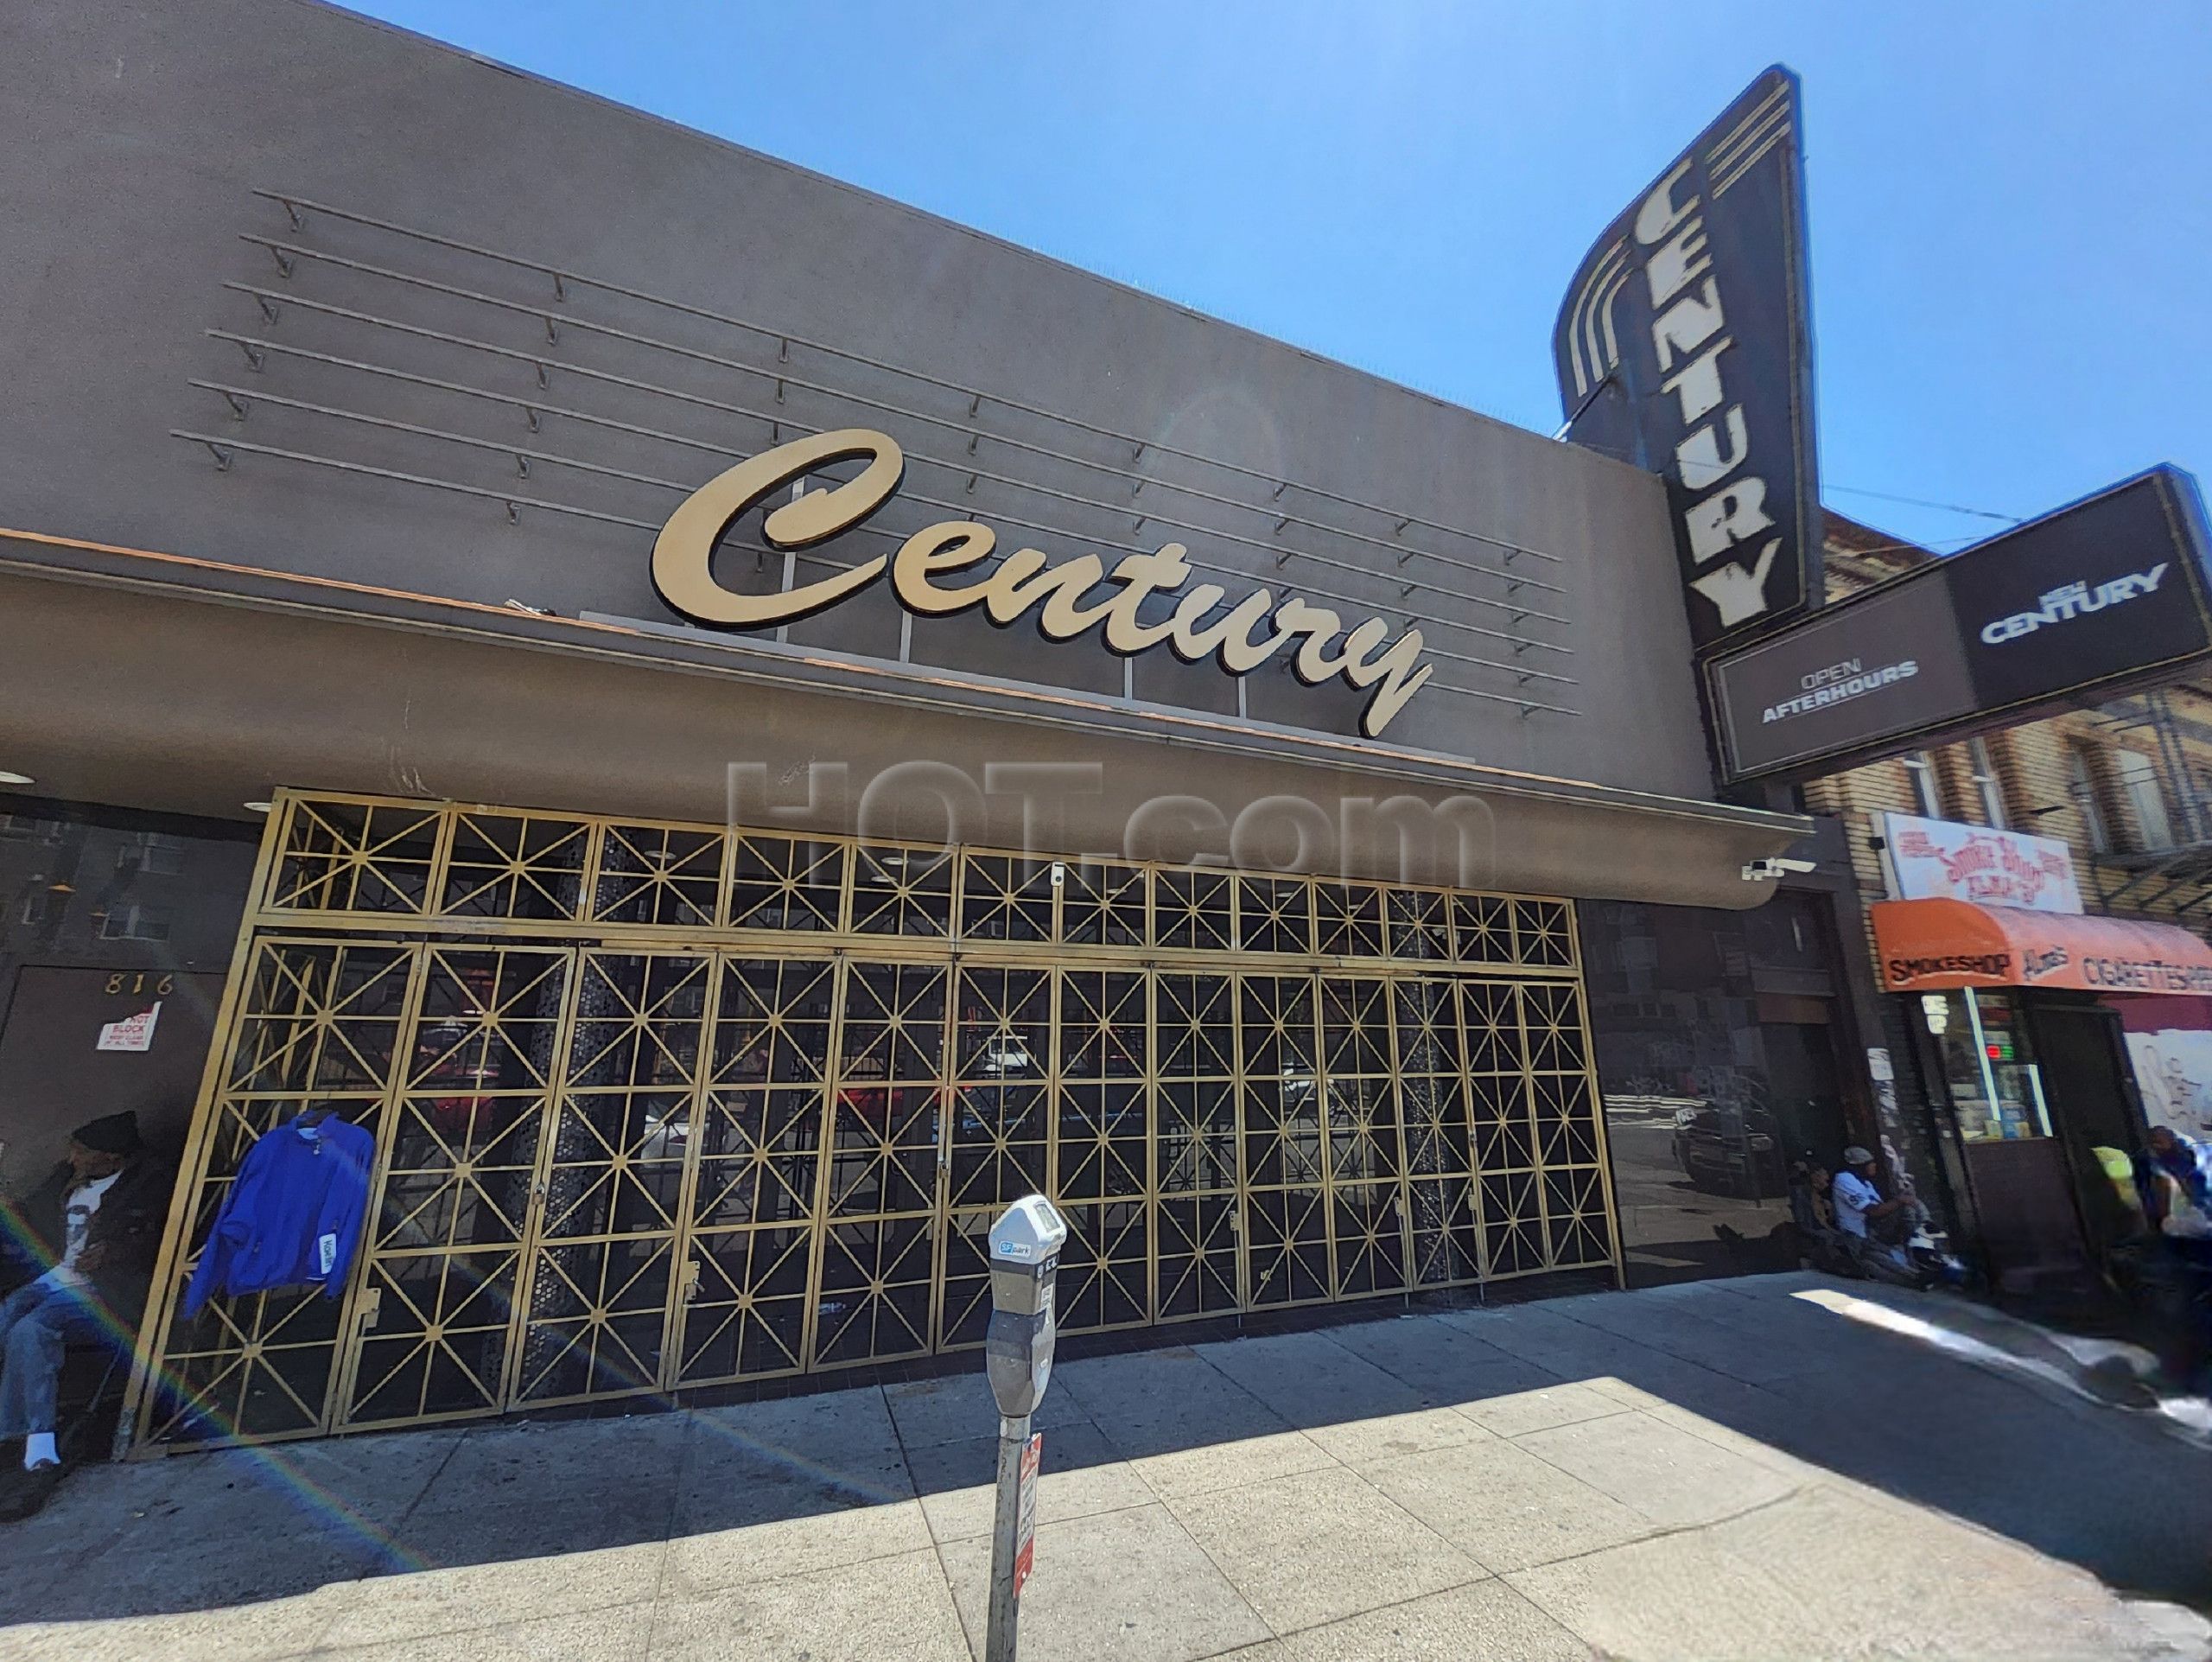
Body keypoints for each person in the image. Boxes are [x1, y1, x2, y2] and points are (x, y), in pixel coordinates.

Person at [0, 1111, 170, 1519]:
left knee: (32, 1330)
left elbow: (163, 1236)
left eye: (82, 1153)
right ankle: (8, 1430)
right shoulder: (67, 1179)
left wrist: (114, 1253)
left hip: (103, 1290)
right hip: (54, 1279)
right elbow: (26, 1215)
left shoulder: (148, 1183)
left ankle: (37, 1442)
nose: (73, 1159)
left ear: (111, 1159)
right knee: (8, 1315)